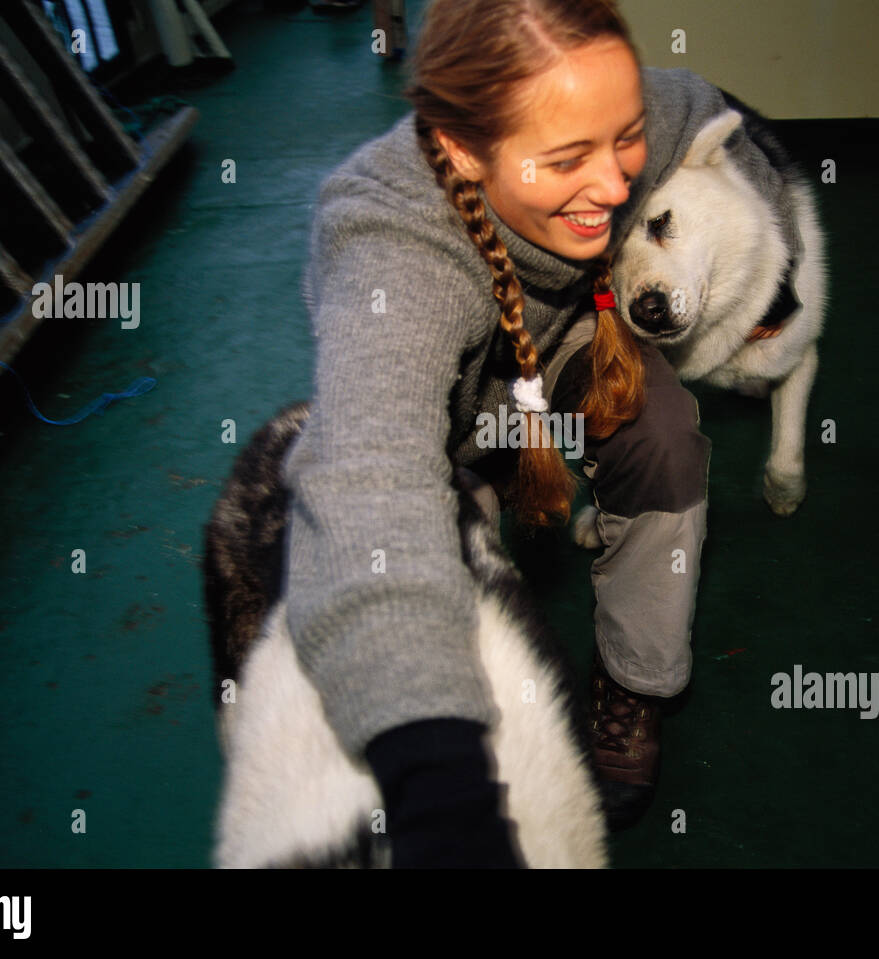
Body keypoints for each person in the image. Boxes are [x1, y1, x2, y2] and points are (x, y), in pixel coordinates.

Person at [283, 0, 772, 866]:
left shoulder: (615, 110)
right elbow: (367, 483)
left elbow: (706, 105)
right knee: (446, 546)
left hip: (578, 339)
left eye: (623, 140)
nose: (619, 187)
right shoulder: (393, 241)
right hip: (457, 412)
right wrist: (437, 776)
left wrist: (778, 265)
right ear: (467, 151)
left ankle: (634, 684)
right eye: (568, 160)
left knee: (666, 437)